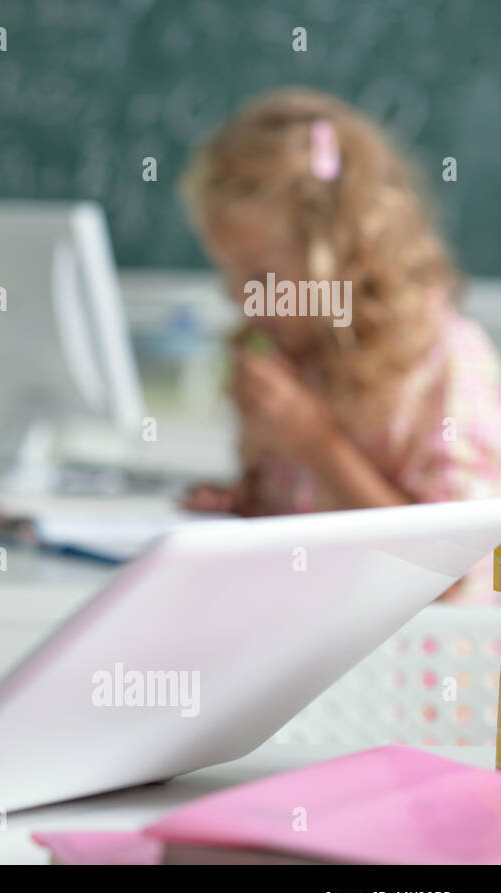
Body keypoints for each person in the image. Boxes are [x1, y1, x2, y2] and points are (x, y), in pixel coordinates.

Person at [179, 87, 501, 601]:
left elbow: (454, 571)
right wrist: (247, 507)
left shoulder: (441, 361)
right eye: (231, 274)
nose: (241, 297)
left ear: (342, 255)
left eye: (261, 273)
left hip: (416, 665)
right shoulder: (292, 361)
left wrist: (313, 440)